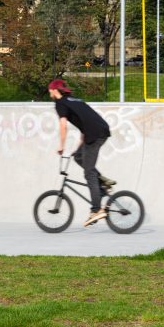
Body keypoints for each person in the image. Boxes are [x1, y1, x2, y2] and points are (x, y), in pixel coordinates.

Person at [48, 79, 112, 227]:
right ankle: (101, 183)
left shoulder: (60, 103)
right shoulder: (72, 99)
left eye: (50, 90)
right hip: (98, 131)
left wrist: (61, 146)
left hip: (96, 134)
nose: (49, 92)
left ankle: (96, 210)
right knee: (78, 156)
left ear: (54, 90)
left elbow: (63, 126)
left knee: (88, 173)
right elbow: (86, 120)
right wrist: (80, 145)